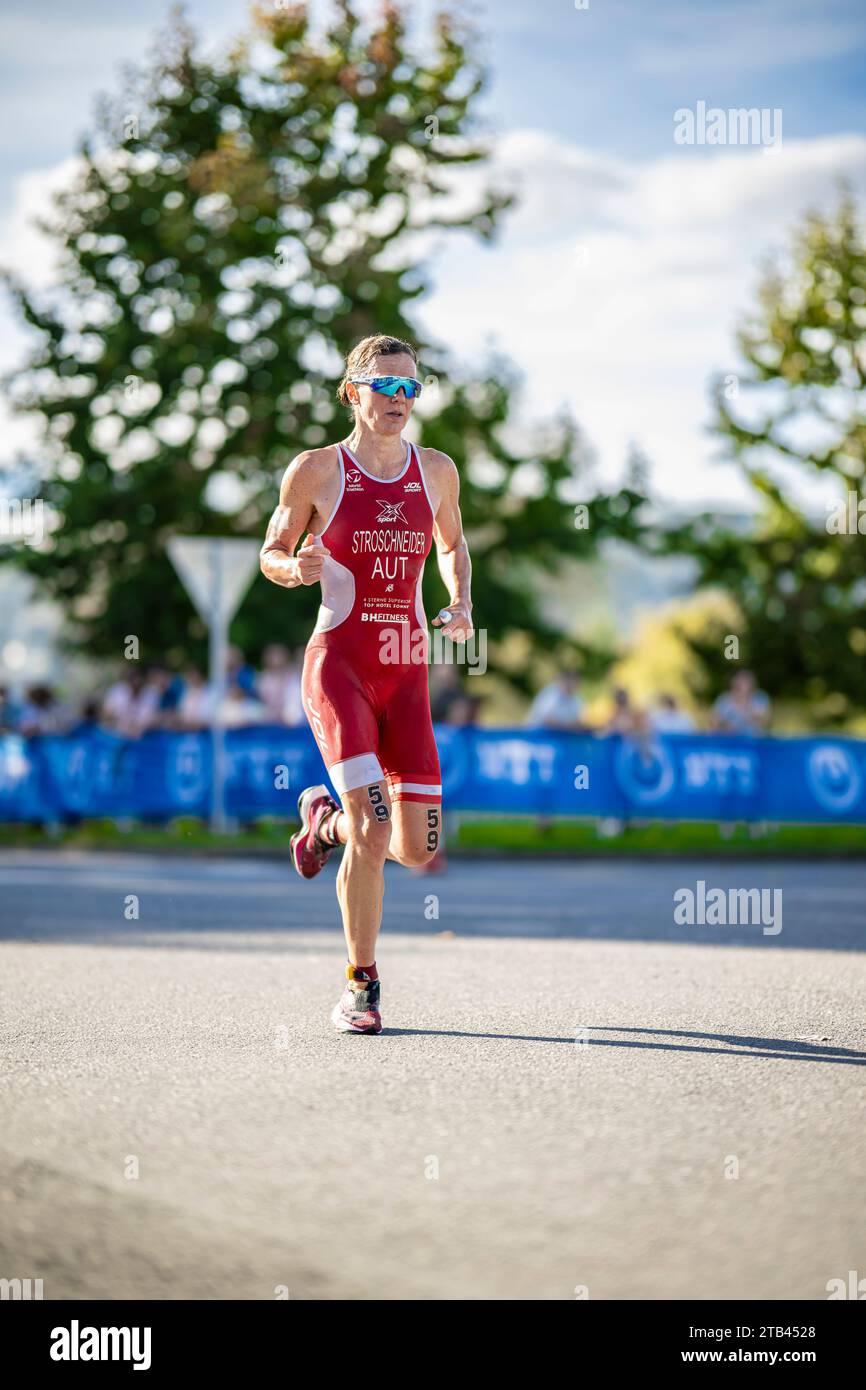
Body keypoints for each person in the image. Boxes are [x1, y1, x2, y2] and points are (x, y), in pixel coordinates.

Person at [260, 333, 473, 1033]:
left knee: (419, 848)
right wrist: (295, 570)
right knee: (375, 830)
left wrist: (461, 600)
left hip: (406, 670)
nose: (399, 400)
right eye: (385, 386)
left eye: (410, 387)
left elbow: (453, 544)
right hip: (341, 666)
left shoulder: (436, 469)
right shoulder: (317, 470)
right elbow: (272, 550)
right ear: (353, 392)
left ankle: (320, 821)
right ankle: (362, 984)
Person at [712, 670, 770, 735]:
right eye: (738, 684)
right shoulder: (724, 699)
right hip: (728, 739)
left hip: (753, 740)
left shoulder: (759, 698)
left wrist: (747, 708)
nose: (742, 687)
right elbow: (713, 724)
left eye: (745, 682)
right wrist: (724, 727)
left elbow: (765, 723)